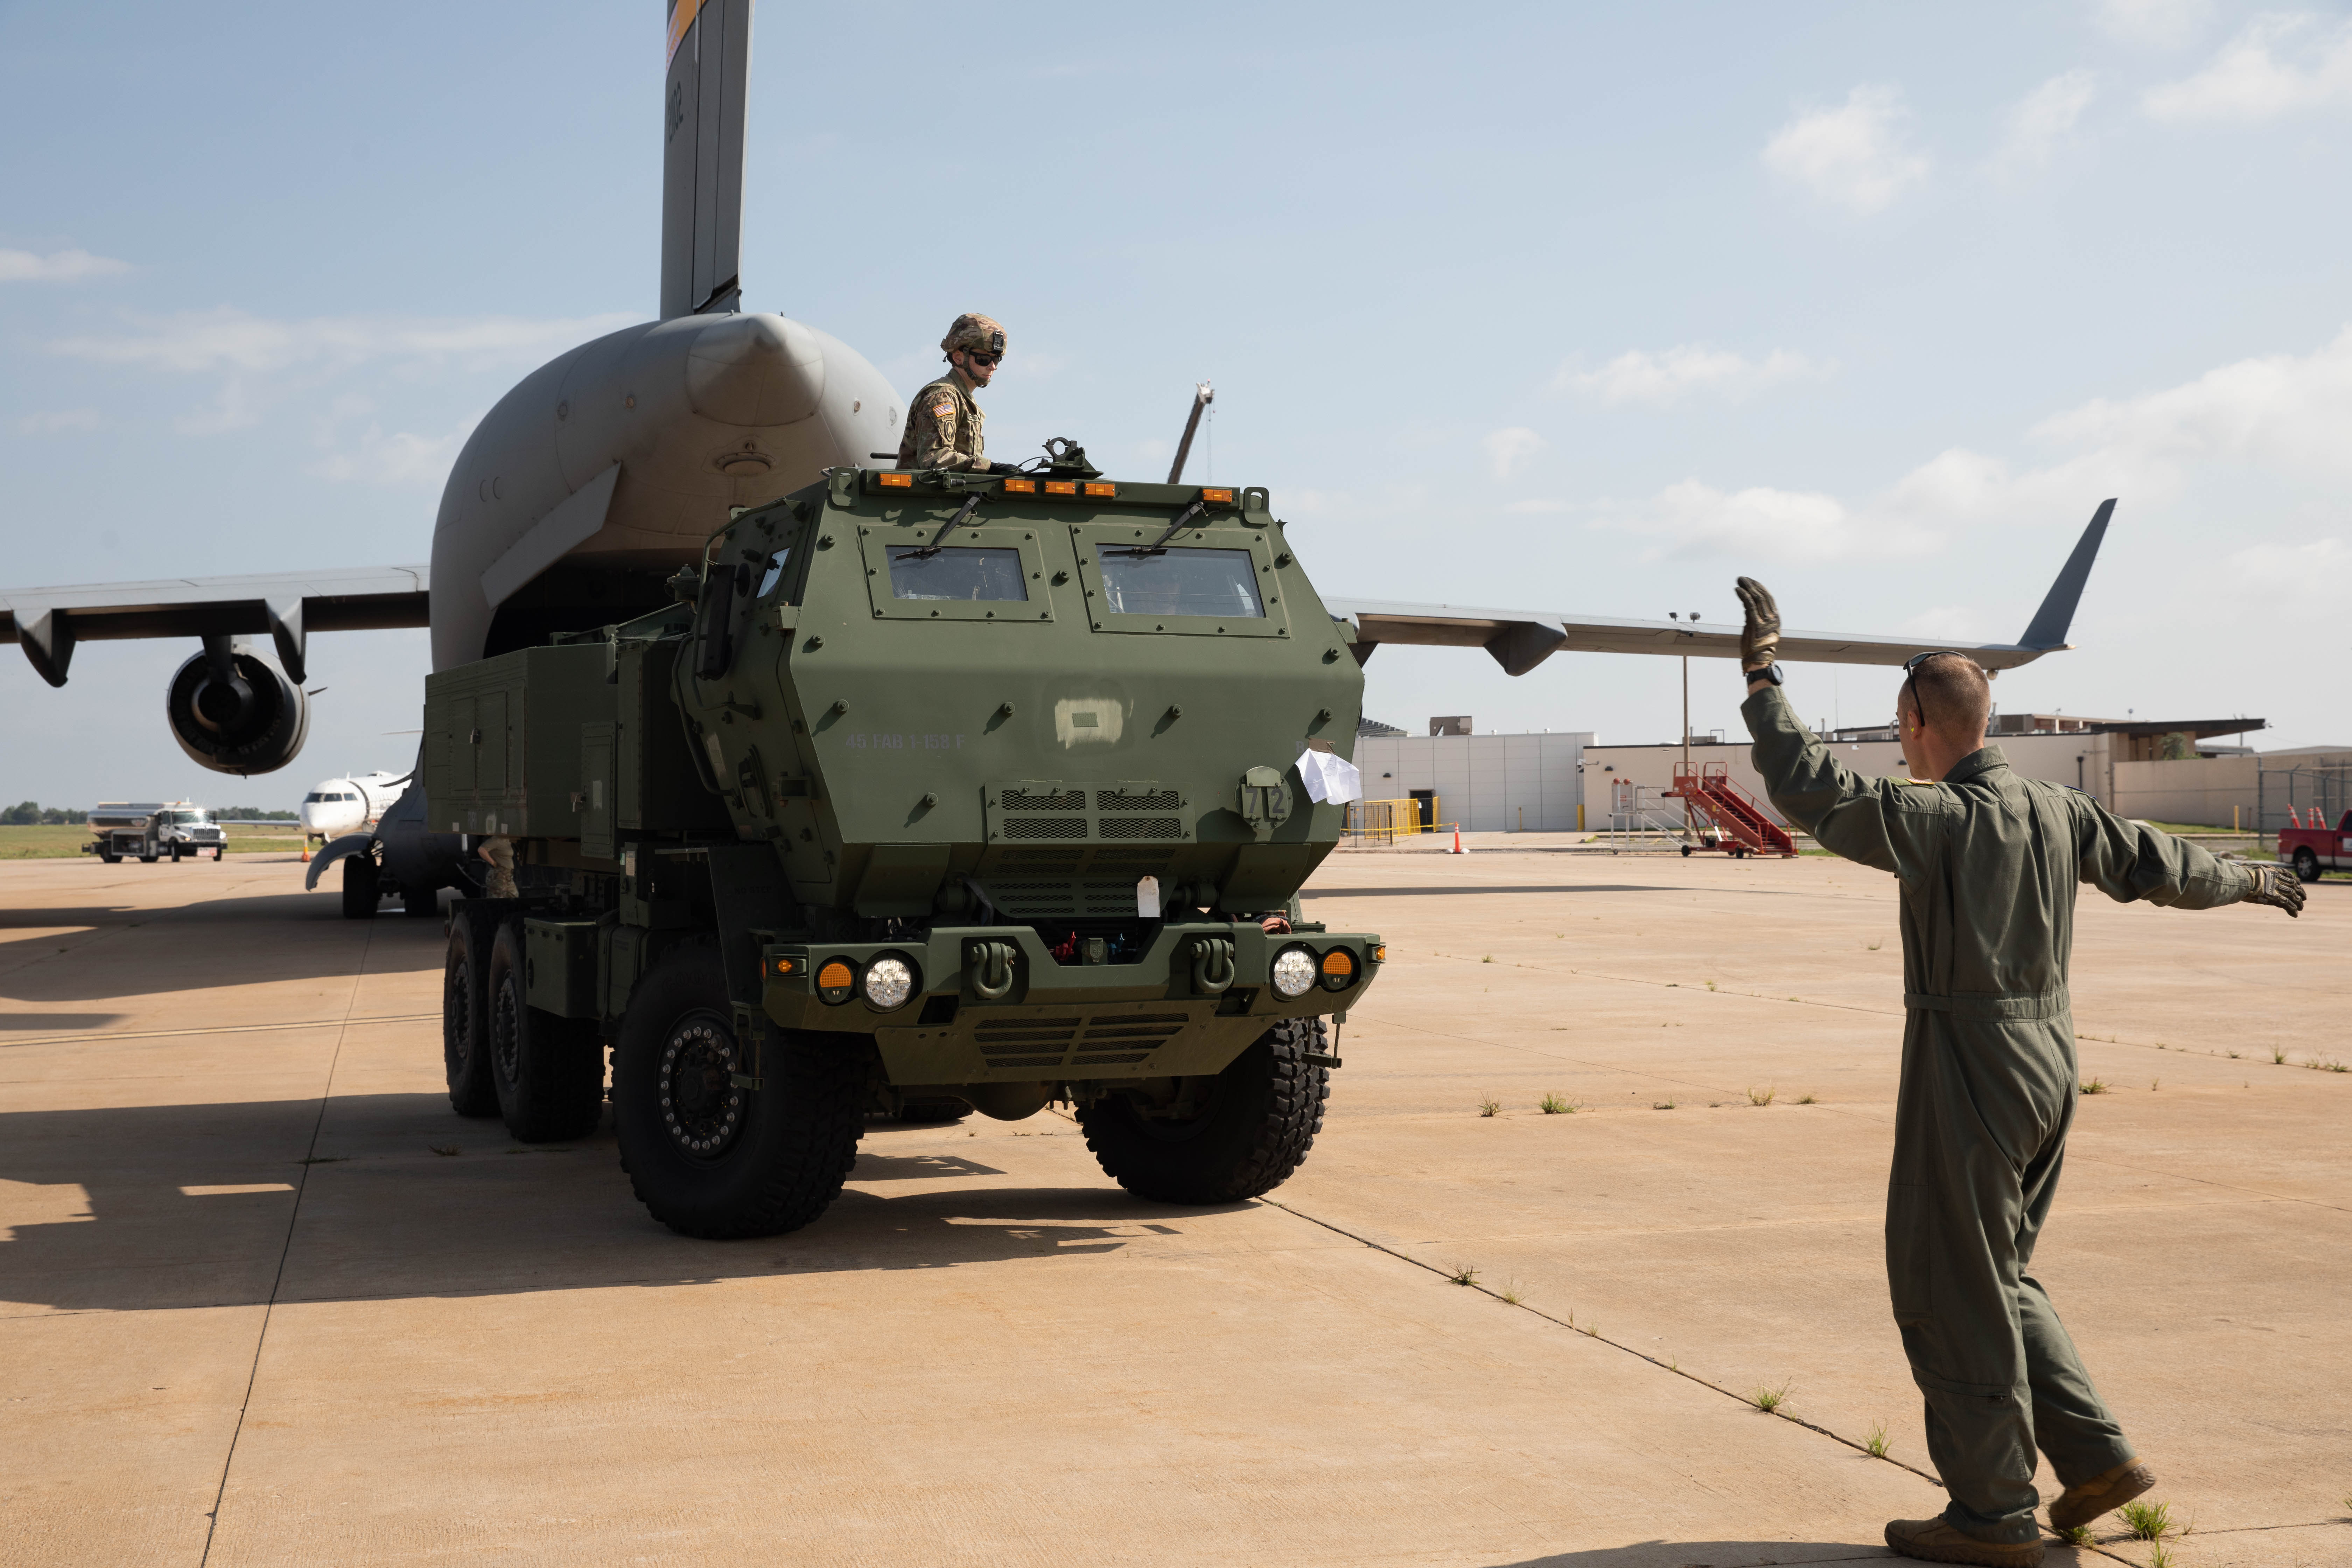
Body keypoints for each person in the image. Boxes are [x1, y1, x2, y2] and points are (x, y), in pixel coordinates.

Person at [1731, 576, 2303, 1568]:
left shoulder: (1942, 819)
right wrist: (2250, 879)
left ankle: (1991, 1512)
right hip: (2051, 1060)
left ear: (1917, 720)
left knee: (1950, 1277)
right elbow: (2162, 861)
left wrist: (1763, 675)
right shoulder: (2056, 809)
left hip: (1972, 1060)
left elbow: (1815, 790)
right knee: (2001, 1270)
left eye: (1902, 726)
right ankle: (2096, 1460)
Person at [897, 313, 1016, 472]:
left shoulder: (963, 399)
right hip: (926, 495)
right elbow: (934, 457)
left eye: (996, 360)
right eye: (984, 359)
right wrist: (988, 468)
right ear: (959, 358)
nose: (992, 366)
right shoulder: (943, 397)